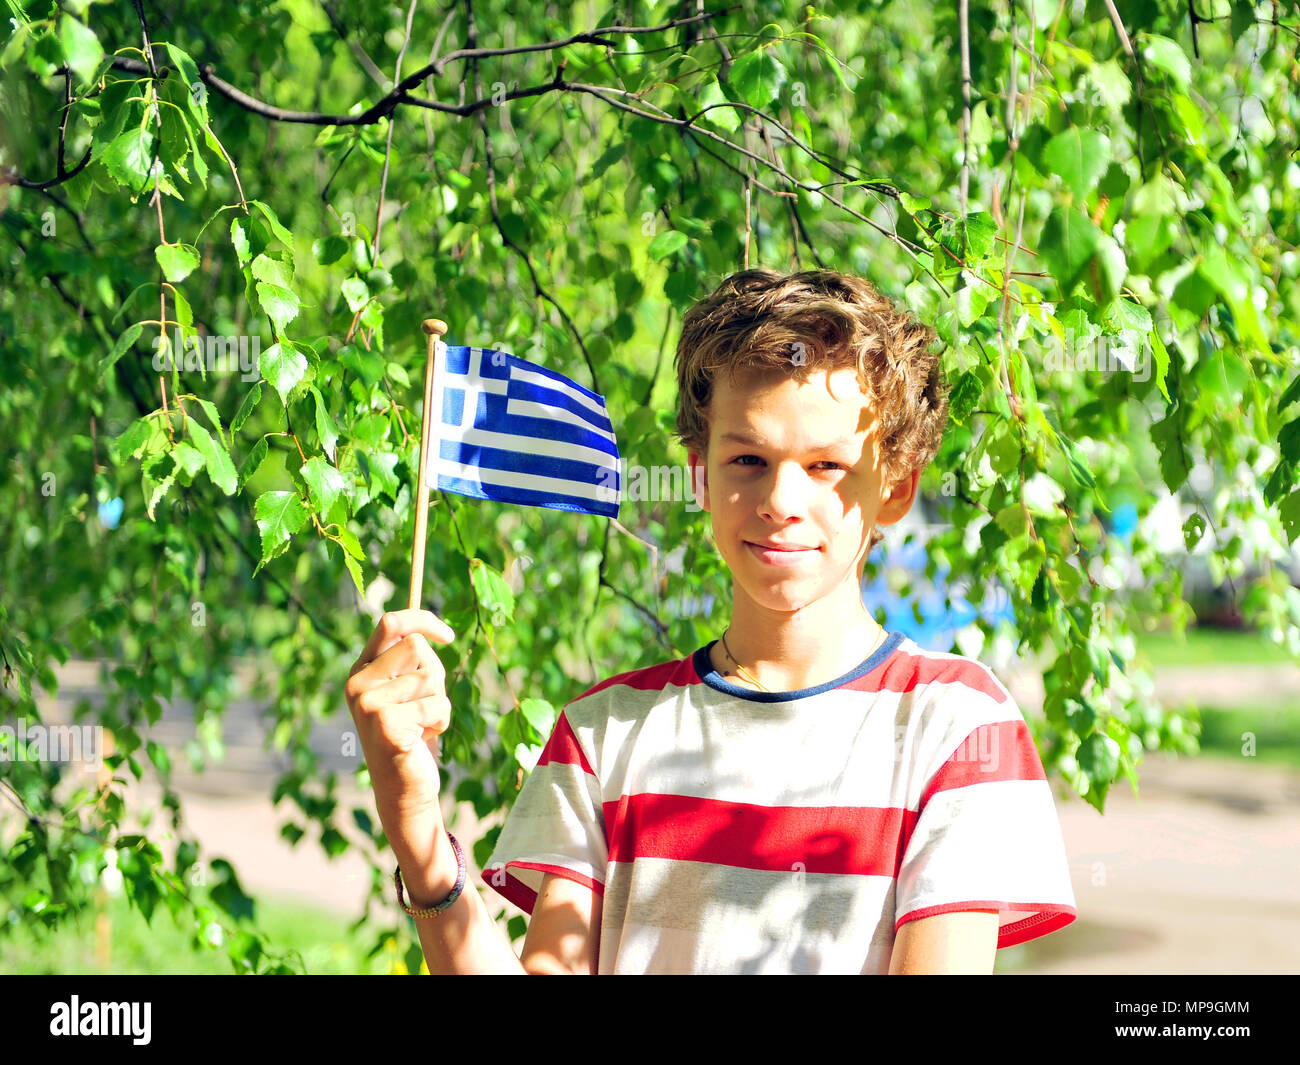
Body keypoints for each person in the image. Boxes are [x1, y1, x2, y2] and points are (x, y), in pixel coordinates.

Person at [344, 268, 1078, 974]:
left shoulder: (956, 729)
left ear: (896, 484)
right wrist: (416, 828)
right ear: (700, 473)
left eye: (825, 465)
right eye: (749, 458)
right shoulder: (604, 734)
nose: (780, 499)